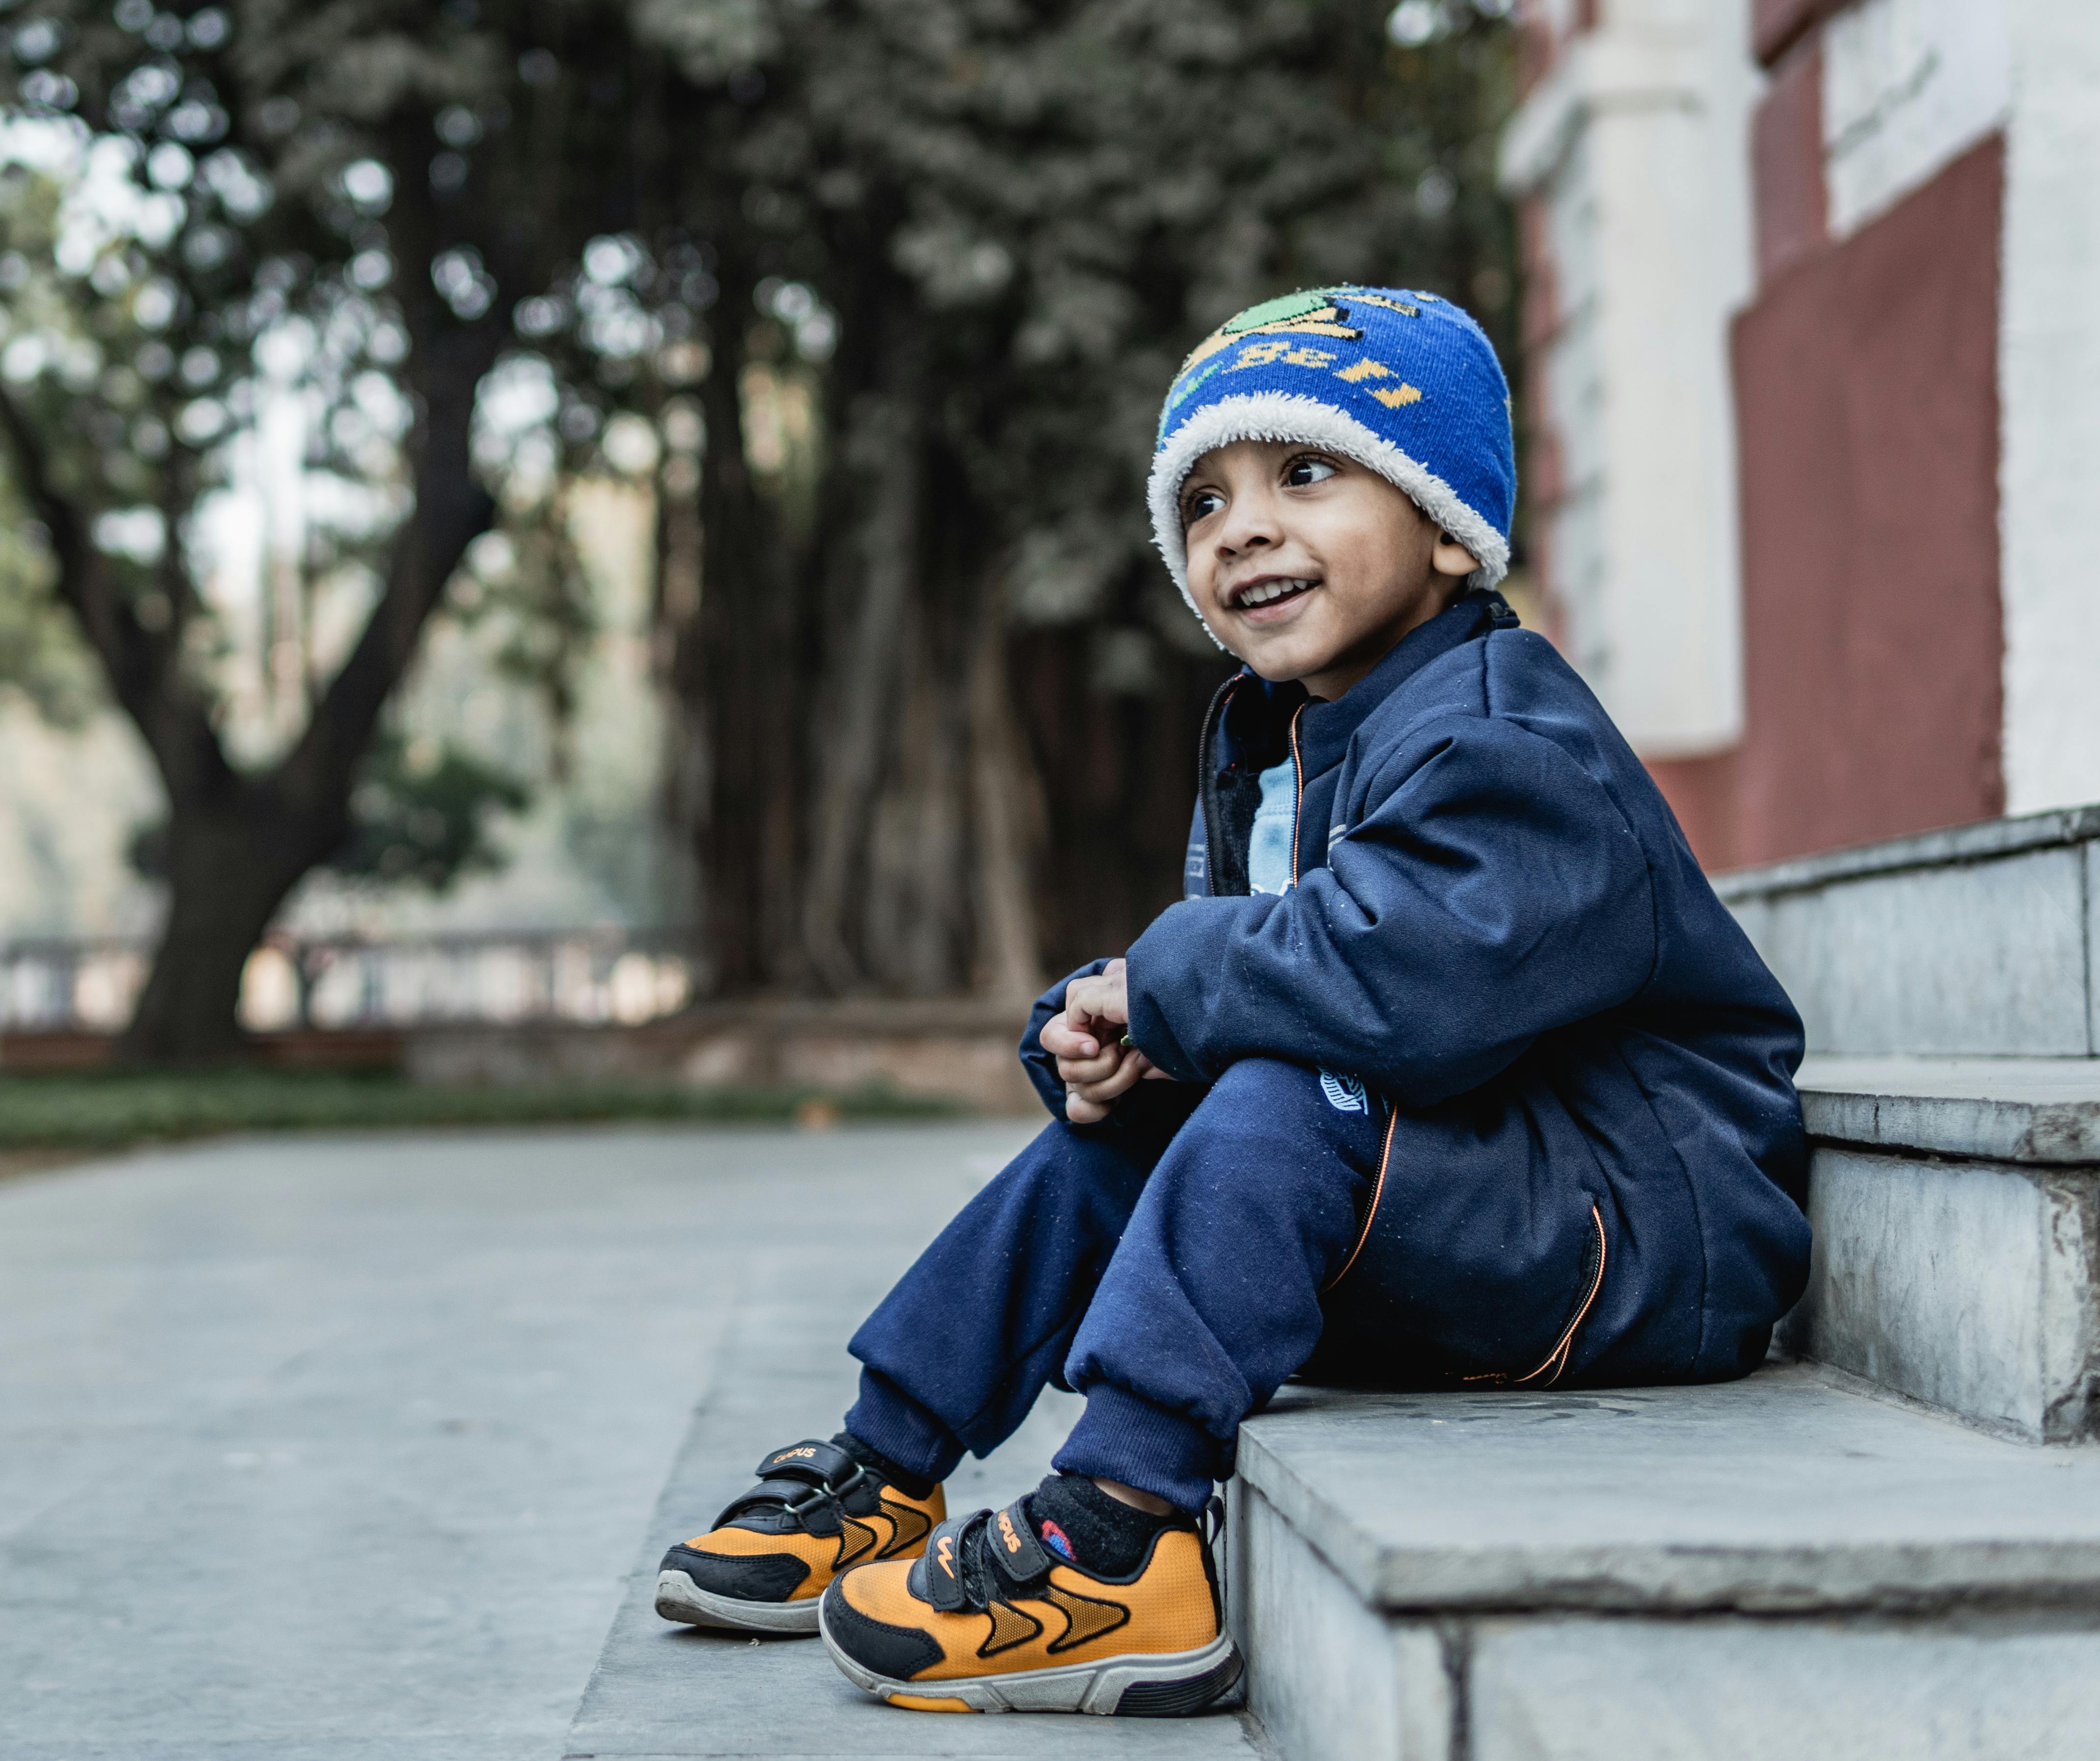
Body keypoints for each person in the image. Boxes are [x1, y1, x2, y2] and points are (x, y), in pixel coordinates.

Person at [652, 287, 1811, 1717]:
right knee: (1130, 1131)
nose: (1241, 527)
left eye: (1304, 472)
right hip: (1469, 1200)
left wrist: (1174, 982)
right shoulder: (1295, 739)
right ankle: (882, 1462)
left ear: (1449, 525)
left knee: (1276, 1093)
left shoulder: (1510, 741)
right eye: (1201, 502)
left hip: (1635, 1238)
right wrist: (1107, 1036)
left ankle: (1121, 1533)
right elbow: (1292, 982)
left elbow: (1399, 990)